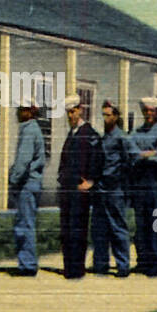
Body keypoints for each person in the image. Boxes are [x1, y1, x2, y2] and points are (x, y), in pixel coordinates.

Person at [57, 94, 102, 280]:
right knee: (66, 229)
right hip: (67, 188)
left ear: (80, 110)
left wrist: (90, 182)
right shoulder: (71, 134)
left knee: (78, 229)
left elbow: (98, 160)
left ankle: (77, 268)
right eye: (68, 112)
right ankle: (69, 267)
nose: (70, 115)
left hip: (79, 190)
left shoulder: (89, 133)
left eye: (73, 111)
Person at [91, 101, 135, 277]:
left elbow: (130, 161)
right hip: (101, 188)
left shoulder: (122, 138)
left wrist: (122, 182)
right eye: (104, 115)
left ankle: (123, 265)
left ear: (116, 117)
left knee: (118, 228)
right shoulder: (104, 138)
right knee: (100, 228)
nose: (105, 118)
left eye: (109, 115)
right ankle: (100, 264)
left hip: (115, 189)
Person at [128, 96, 157, 277]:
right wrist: (148, 153)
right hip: (140, 183)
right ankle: (143, 259)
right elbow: (130, 153)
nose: (149, 114)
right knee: (141, 222)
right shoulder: (136, 132)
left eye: (152, 111)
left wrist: (142, 155)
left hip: (156, 184)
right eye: (146, 111)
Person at [8, 94, 46, 277]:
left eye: (22, 109)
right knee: (26, 222)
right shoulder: (31, 129)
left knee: (24, 224)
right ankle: (27, 262)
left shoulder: (29, 130)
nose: (18, 112)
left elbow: (23, 161)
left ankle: (28, 264)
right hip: (32, 182)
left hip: (27, 183)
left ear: (31, 112)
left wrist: (13, 180)